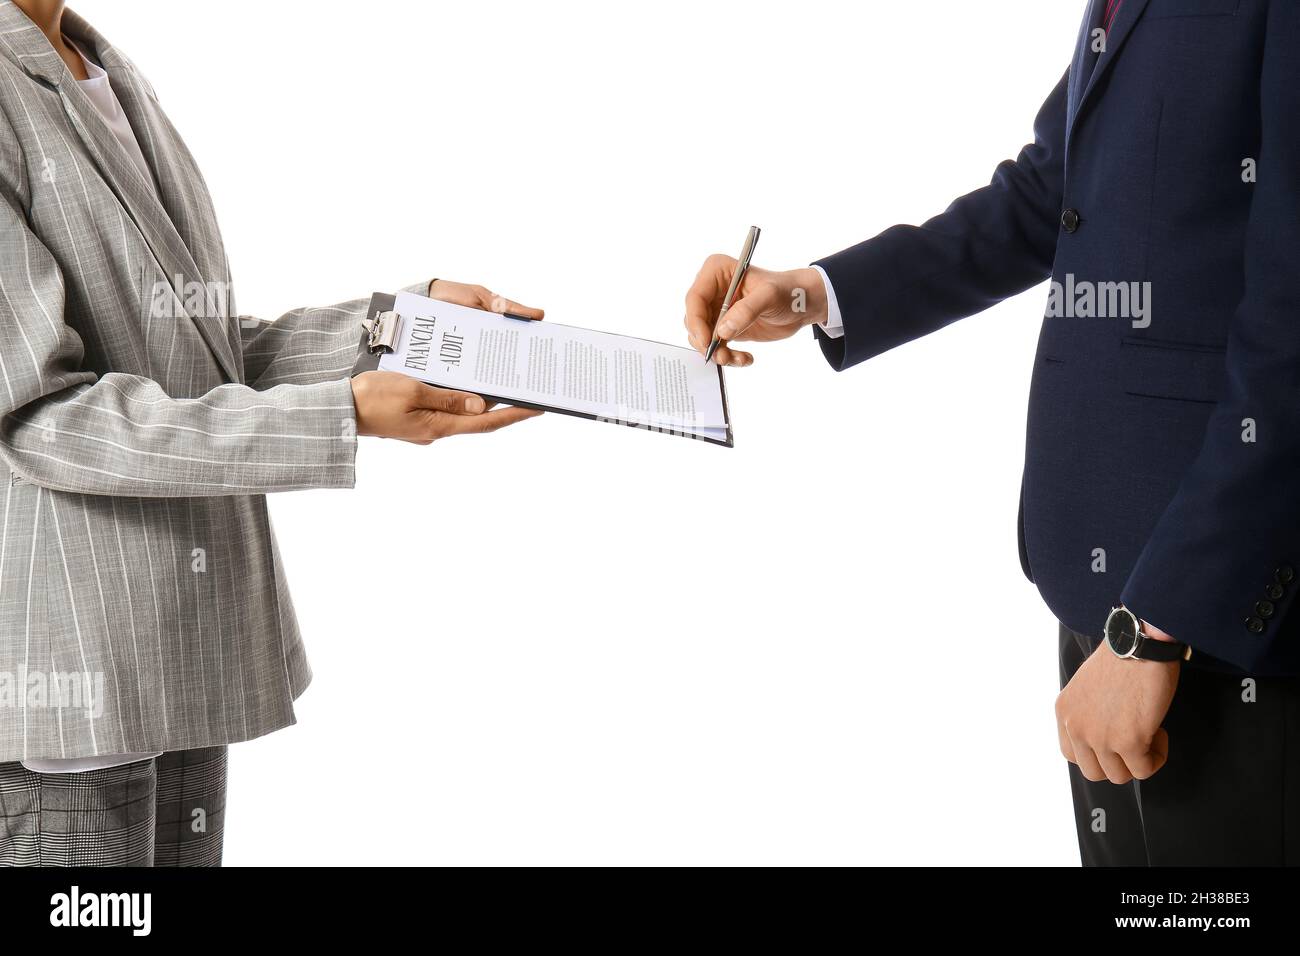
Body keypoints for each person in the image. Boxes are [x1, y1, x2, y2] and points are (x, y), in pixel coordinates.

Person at [685, 0, 1300, 866]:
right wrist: (811, 294)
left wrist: (1157, 626)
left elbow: (1291, 332)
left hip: (1218, 615)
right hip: (1110, 594)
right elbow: (1053, 192)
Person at [0, 0, 541, 865]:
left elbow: (193, 348)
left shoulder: (99, 63)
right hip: (72, 691)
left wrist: (390, 331)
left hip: (178, 661)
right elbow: (40, 418)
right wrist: (340, 415)